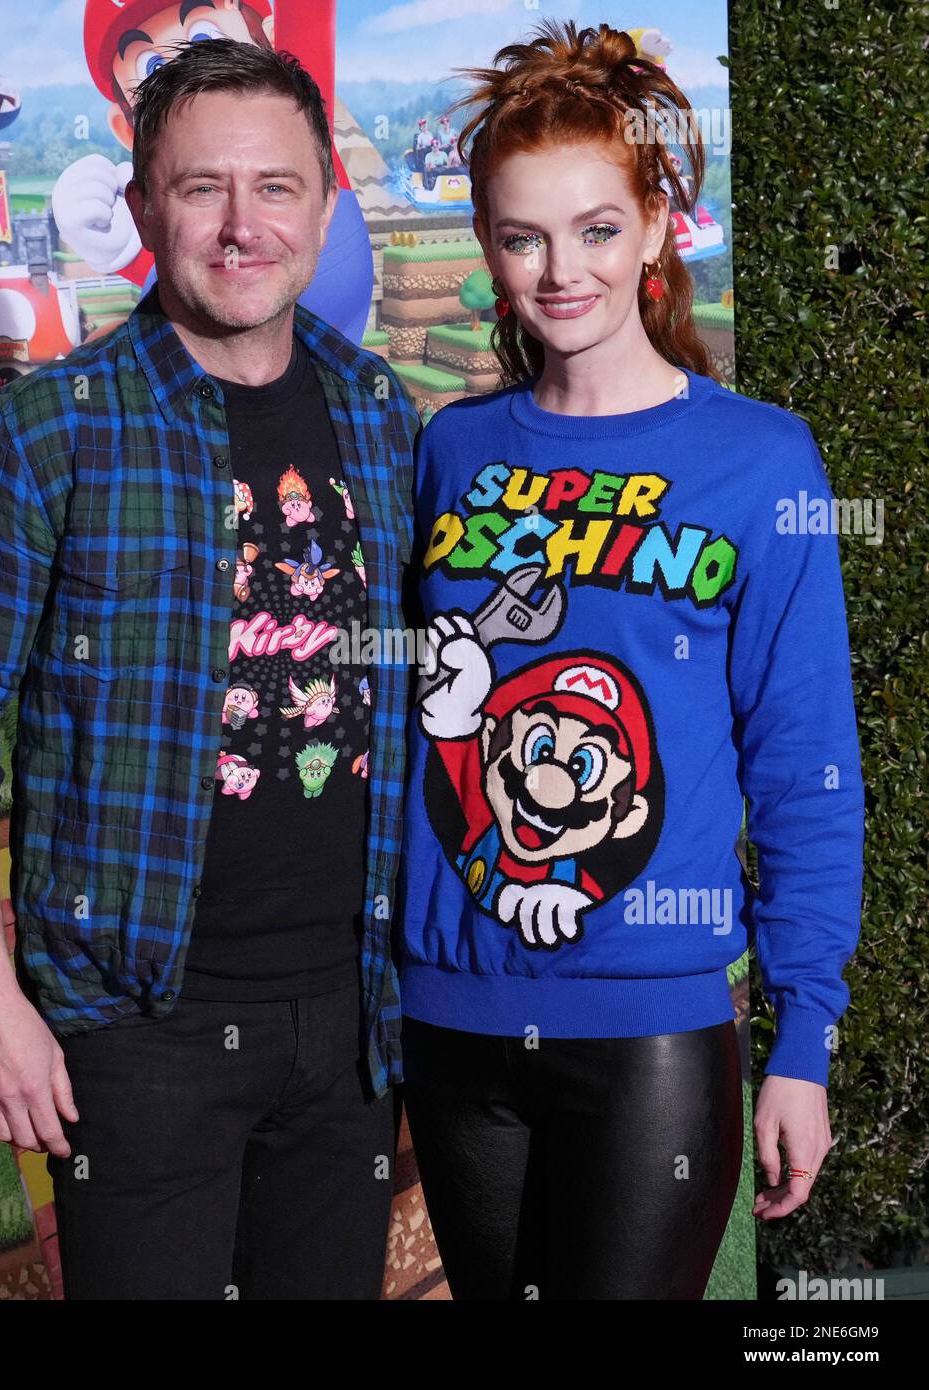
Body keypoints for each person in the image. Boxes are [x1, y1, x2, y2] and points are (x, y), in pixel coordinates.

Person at [0, 39, 421, 1300]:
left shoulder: (378, 409)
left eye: (275, 188)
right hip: (134, 1022)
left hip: (355, 1013)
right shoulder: (46, 429)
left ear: (326, 201)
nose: (241, 227)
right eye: (200, 189)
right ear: (140, 209)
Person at [395, 19, 864, 1300]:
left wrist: (802, 1035)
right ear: (486, 245)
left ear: (658, 227)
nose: (560, 270)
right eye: (522, 235)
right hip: (448, 1021)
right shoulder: (451, 450)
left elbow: (803, 762)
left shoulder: (760, 462)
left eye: (596, 228)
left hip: (649, 1026)